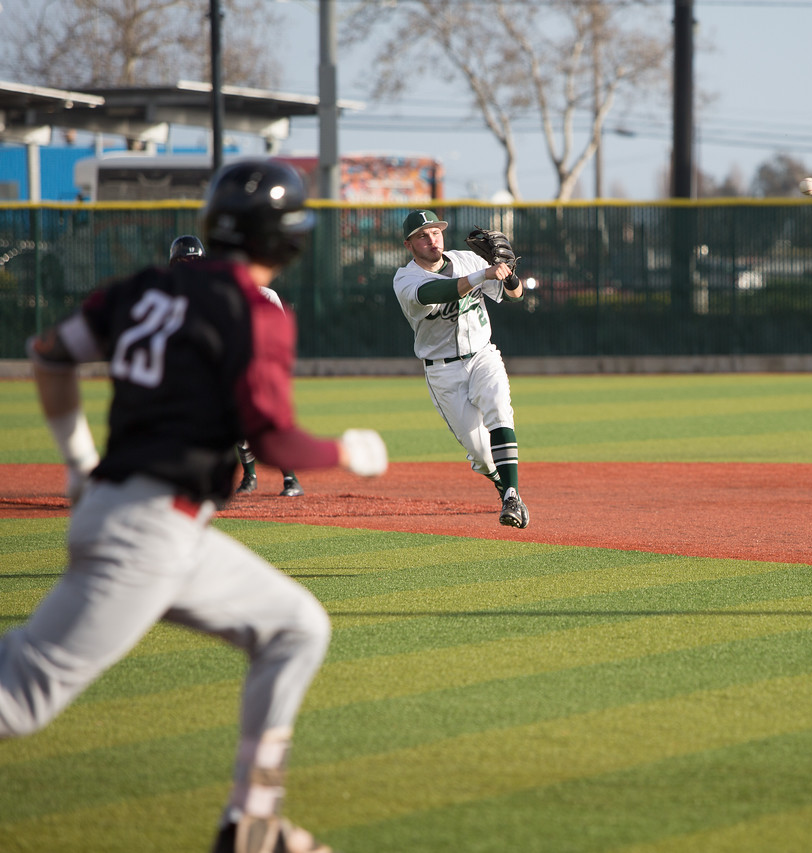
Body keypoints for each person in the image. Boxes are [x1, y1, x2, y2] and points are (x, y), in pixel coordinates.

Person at [2, 158, 388, 853]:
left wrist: (78, 462)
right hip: (143, 534)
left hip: (164, 524)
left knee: (297, 626)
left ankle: (252, 824)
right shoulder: (253, 308)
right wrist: (344, 451)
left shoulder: (146, 286)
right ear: (288, 240)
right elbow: (273, 439)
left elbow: (52, 354)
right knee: (20, 697)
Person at [392, 209, 529, 528]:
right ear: (408, 245)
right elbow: (436, 292)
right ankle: (503, 486)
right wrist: (484, 275)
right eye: (422, 236)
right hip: (443, 371)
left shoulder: (467, 259)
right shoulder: (406, 279)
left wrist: (509, 275)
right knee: (481, 456)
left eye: (436, 232)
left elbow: (514, 296)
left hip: (482, 354)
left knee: (499, 410)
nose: (431, 239)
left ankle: (512, 495)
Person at [171, 234, 304, 498]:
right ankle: (249, 476)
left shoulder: (265, 295)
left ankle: (291, 479)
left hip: (258, 371)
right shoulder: (188, 299)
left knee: (267, 425)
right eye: (182, 262)